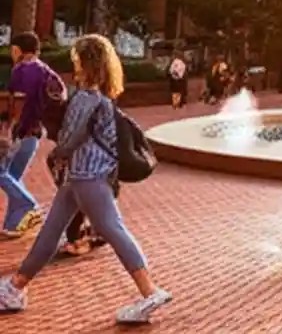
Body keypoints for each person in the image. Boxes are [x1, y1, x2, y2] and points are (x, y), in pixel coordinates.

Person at [0, 34, 172, 324]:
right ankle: (15, 286)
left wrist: (57, 152)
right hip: (81, 176)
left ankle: (150, 291)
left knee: (113, 229)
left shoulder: (86, 98)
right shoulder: (102, 99)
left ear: (86, 61)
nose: (74, 63)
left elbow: (70, 137)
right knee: (51, 231)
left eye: (77, 58)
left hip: (87, 177)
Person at [2, 32, 56, 238]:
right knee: (13, 177)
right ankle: (13, 225)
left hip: (20, 131)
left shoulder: (22, 70)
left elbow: (19, 102)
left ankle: (30, 204)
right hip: (35, 133)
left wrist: (9, 131)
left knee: (1, 172)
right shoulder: (46, 71)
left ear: (17, 49)